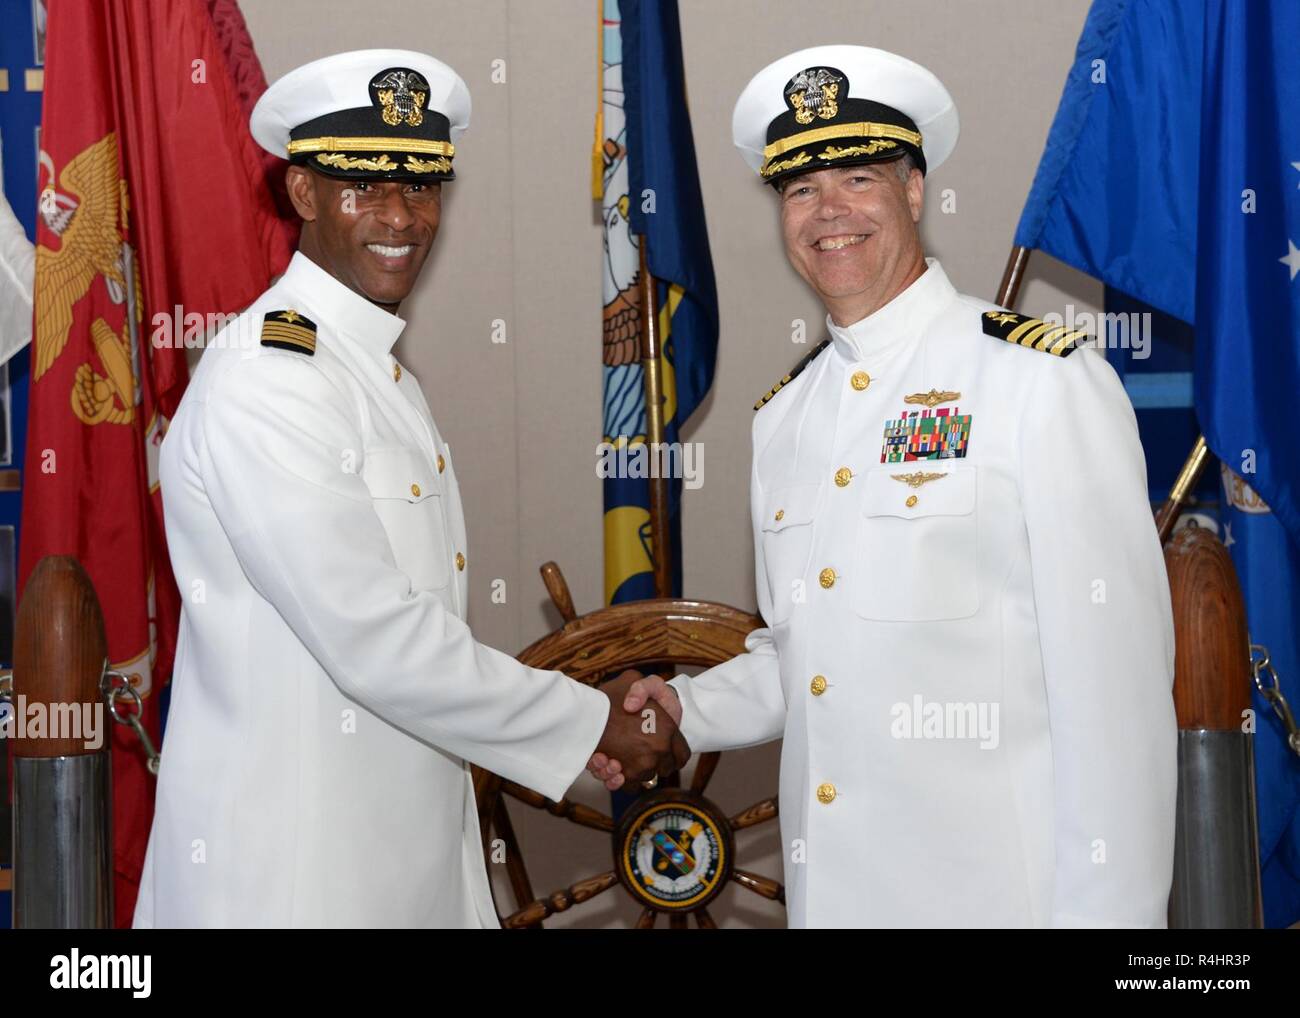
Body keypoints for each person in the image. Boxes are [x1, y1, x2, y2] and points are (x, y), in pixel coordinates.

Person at [589, 44, 1178, 928]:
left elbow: (1117, 702)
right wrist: (684, 708)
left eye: (858, 178)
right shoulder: (784, 419)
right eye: (800, 189)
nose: (829, 211)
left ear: (914, 190)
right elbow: (810, 655)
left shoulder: (1040, 380)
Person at [134, 49, 683, 929]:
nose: (399, 215)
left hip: (398, 864)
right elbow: (376, 638)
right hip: (297, 882)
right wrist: (589, 723)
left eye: (421, 186)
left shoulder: (369, 369)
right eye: (363, 186)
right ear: (303, 192)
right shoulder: (271, 378)